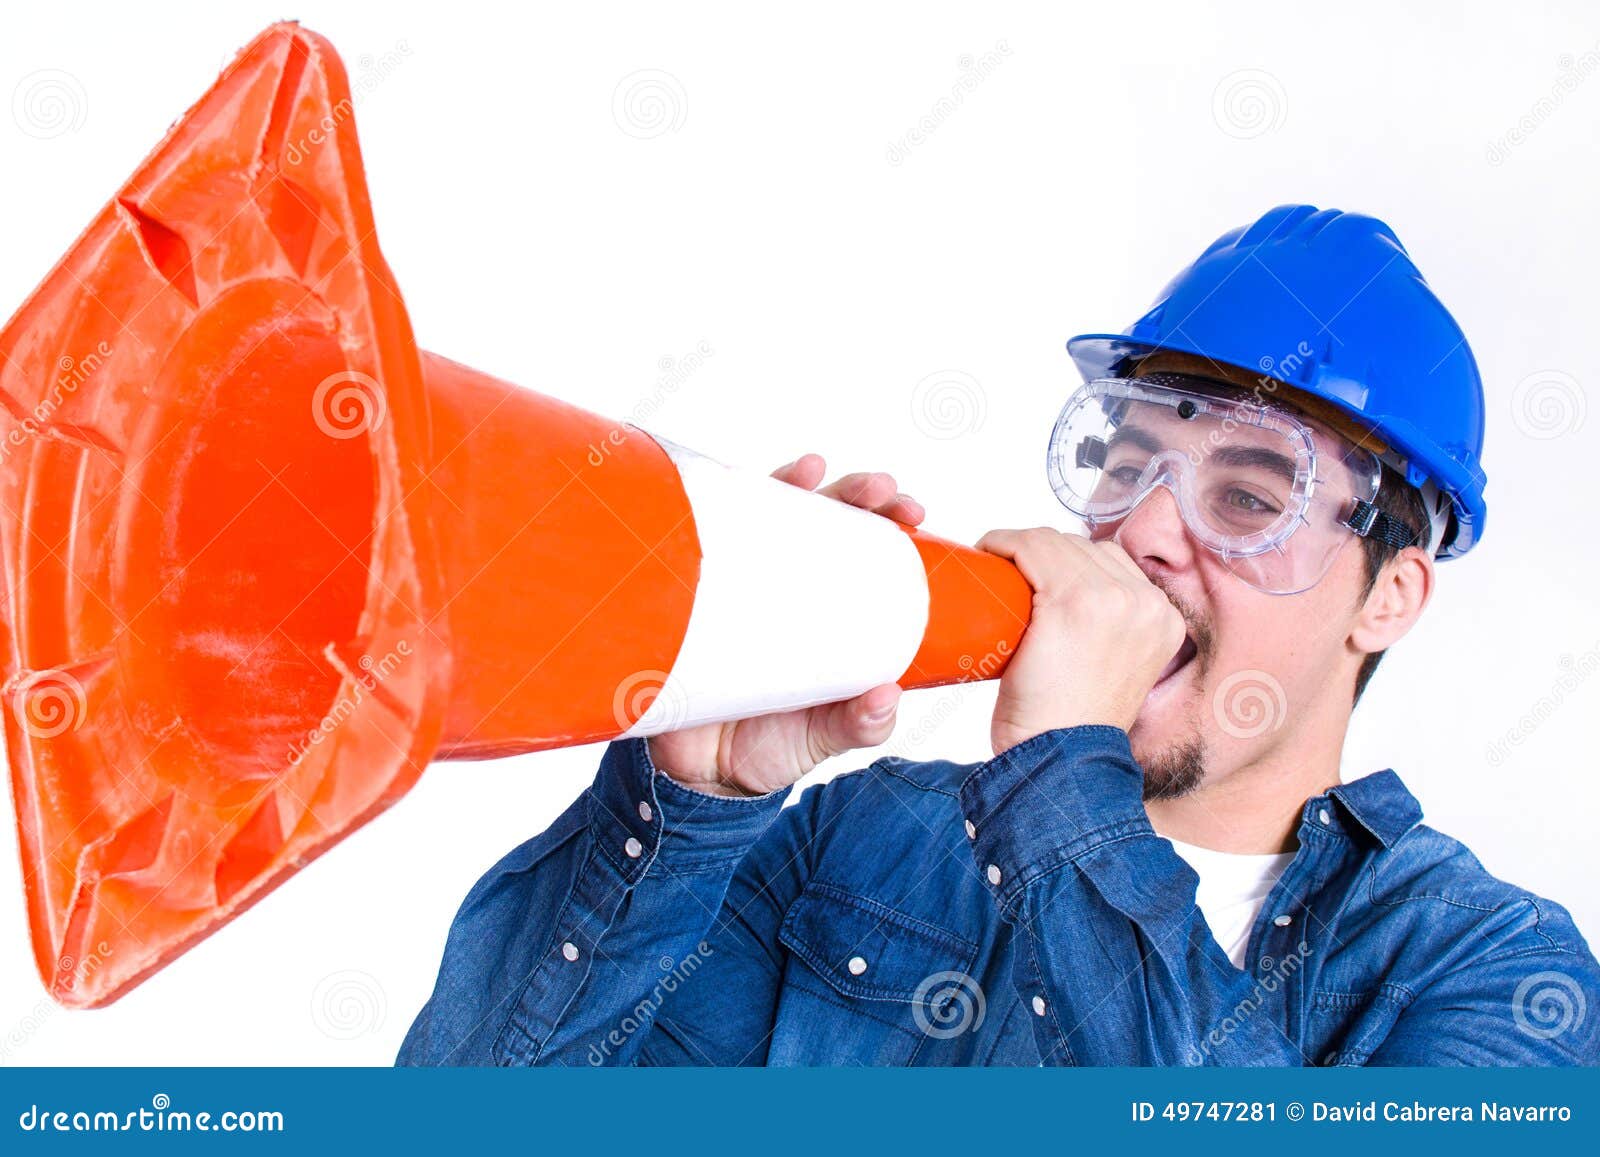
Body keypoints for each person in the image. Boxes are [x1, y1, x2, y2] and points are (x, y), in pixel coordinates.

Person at [399, 204, 1599, 1066]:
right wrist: (682, 810)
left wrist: (1064, 775)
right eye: (1123, 466)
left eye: (1245, 497)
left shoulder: (1486, 970)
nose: (1140, 533)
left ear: (1388, 594)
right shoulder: (857, 843)